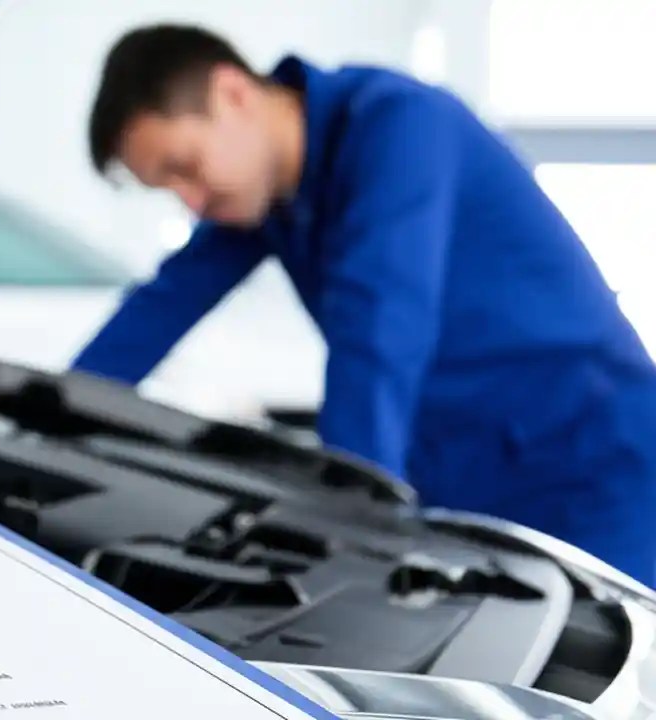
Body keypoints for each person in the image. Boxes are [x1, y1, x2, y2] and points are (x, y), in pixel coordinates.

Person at [70, 24, 656, 586]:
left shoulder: (401, 127)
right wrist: (54, 416)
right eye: (168, 189)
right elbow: (163, 304)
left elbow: (378, 333)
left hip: (599, 471)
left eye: (186, 168)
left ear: (233, 94)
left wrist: (344, 520)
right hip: (470, 480)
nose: (191, 203)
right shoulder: (263, 193)